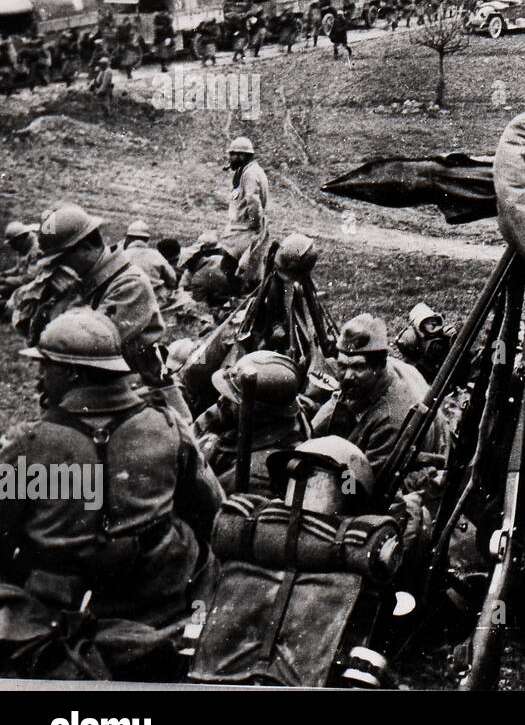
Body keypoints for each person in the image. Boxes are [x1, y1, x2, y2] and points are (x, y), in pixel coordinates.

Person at [2, 310, 223, 629]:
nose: (40, 377)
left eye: (46, 366)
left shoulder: (27, 443)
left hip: (58, 605)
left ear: (73, 374)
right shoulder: (168, 425)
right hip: (162, 590)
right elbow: (209, 507)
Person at [26, 202, 166, 385]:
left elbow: (91, 345)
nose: (56, 268)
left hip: (131, 387)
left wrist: (69, 299)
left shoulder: (130, 283)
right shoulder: (83, 278)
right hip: (93, 380)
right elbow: (37, 338)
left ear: (85, 247)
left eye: (61, 259)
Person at [311, 314, 418, 475]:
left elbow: (362, 487)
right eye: (342, 366)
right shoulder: (359, 385)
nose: (347, 376)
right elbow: (318, 426)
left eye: (358, 367)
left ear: (379, 366)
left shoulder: (391, 416)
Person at [195, 350, 310, 498]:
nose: (220, 401)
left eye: (232, 399)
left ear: (260, 414)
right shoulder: (225, 414)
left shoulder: (262, 471)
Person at [220, 136, 270, 291]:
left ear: (242, 155)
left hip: (246, 231)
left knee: (233, 268)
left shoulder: (250, 174)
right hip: (244, 229)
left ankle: (240, 302)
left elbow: (253, 201)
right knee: (245, 269)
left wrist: (254, 224)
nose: (230, 158)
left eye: (232, 155)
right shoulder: (247, 171)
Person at [120, 219, 179, 294]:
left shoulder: (121, 256)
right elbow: (172, 280)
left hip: (126, 298)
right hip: (153, 299)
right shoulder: (156, 255)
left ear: (128, 238)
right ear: (147, 239)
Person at [1, 220, 39, 303]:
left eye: (12, 242)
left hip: (34, 287)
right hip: (22, 283)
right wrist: (4, 274)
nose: (11, 246)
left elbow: (30, 278)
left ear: (21, 237)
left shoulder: (35, 250)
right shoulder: (22, 247)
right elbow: (18, 268)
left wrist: (5, 280)